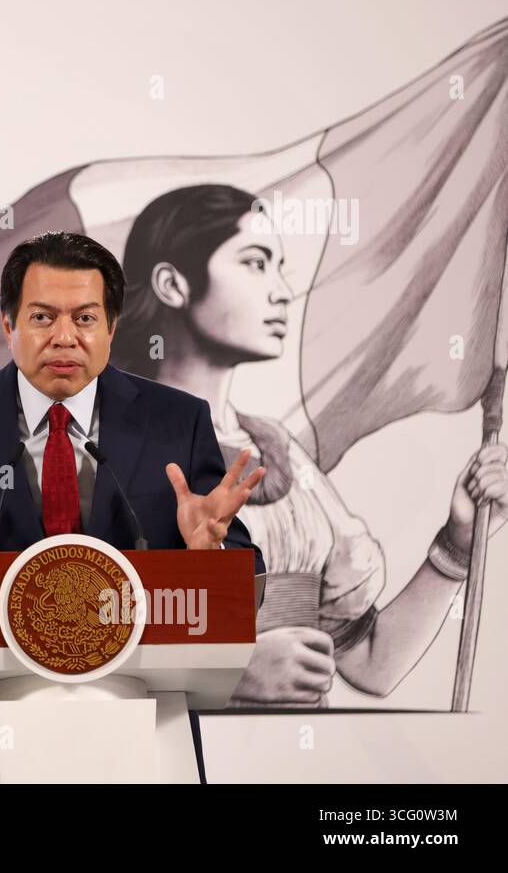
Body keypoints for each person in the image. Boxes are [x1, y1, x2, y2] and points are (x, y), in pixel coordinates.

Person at [0, 230, 267, 781]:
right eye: (43, 317)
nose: (64, 338)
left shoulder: (176, 422)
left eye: (85, 319)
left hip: (145, 726)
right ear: (8, 325)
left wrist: (208, 558)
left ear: (113, 327)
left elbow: (247, 576)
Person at [112, 183, 508, 707]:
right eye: (255, 264)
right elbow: (48, 638)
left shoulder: (280, 453)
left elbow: (371, 663)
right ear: (172, 283)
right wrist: (221, 670)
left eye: (280, 268)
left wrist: (458, 540)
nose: (280, 291)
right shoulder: (98, 449)